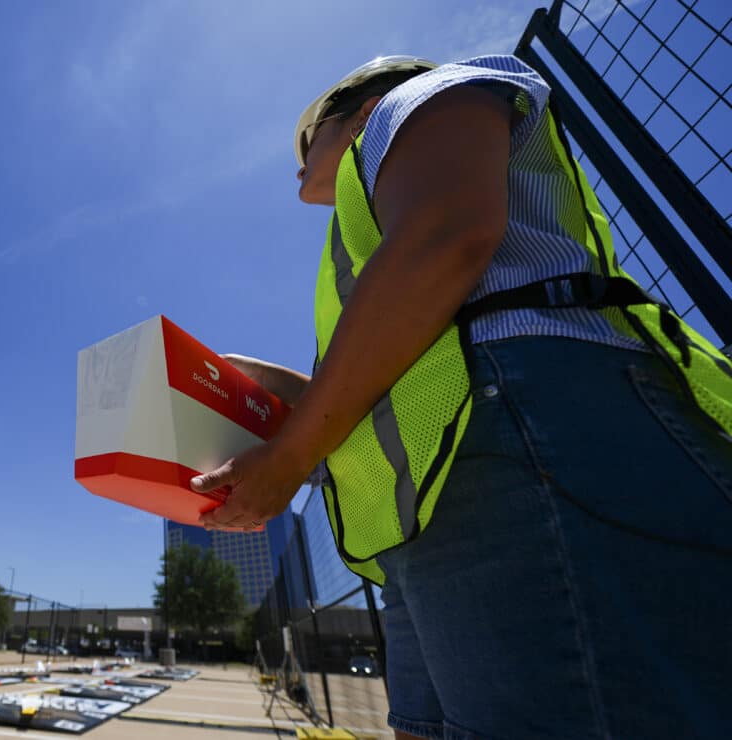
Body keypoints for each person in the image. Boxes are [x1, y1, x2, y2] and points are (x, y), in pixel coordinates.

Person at [190, 54, 732, 739]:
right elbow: (414, 365)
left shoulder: (418, 98)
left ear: (362, 110)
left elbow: (446, 240)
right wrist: (288, 390)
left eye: (308, 137)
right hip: (448, 490)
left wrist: (290, 457)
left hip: (519, 432)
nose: (298, 158)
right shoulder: (365, 220)